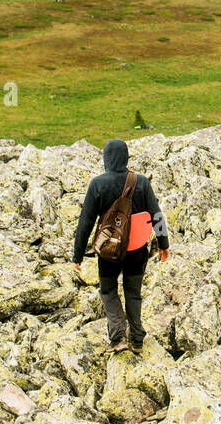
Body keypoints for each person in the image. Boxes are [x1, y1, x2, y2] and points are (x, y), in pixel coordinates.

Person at [72, 139, 170, 353]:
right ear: (126, 158)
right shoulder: (141, 182)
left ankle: (117, 339)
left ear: (106, 158)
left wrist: (77, 255)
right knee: (133, 292)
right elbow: (157, 216)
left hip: (108, 251)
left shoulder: (97, 184)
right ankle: (136, 339)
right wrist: (163, 244)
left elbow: (85, 222)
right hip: (136, 249)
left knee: (108, 290)